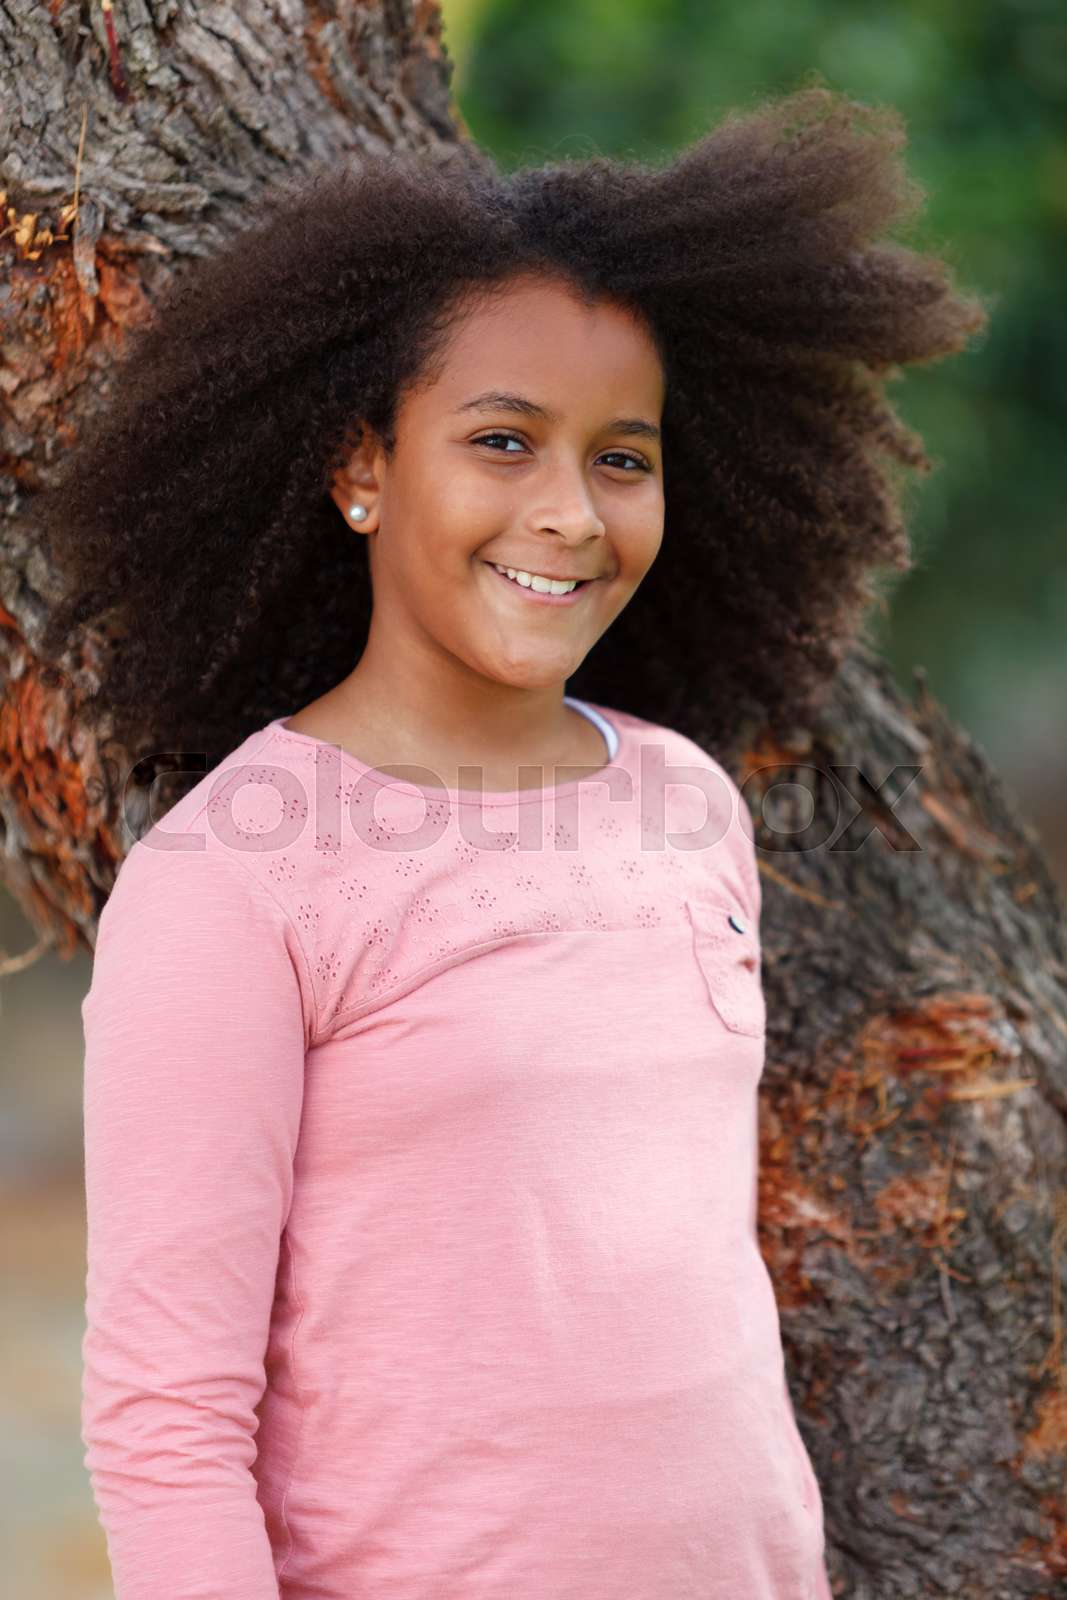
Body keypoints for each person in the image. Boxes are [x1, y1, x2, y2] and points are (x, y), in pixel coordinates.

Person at [37, 83, 987, 1600]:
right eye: (501, 439)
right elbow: (166, 1418)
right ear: (362, 468)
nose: (570, 512)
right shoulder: (234, 878)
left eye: (623, 456)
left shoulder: (685, 801)